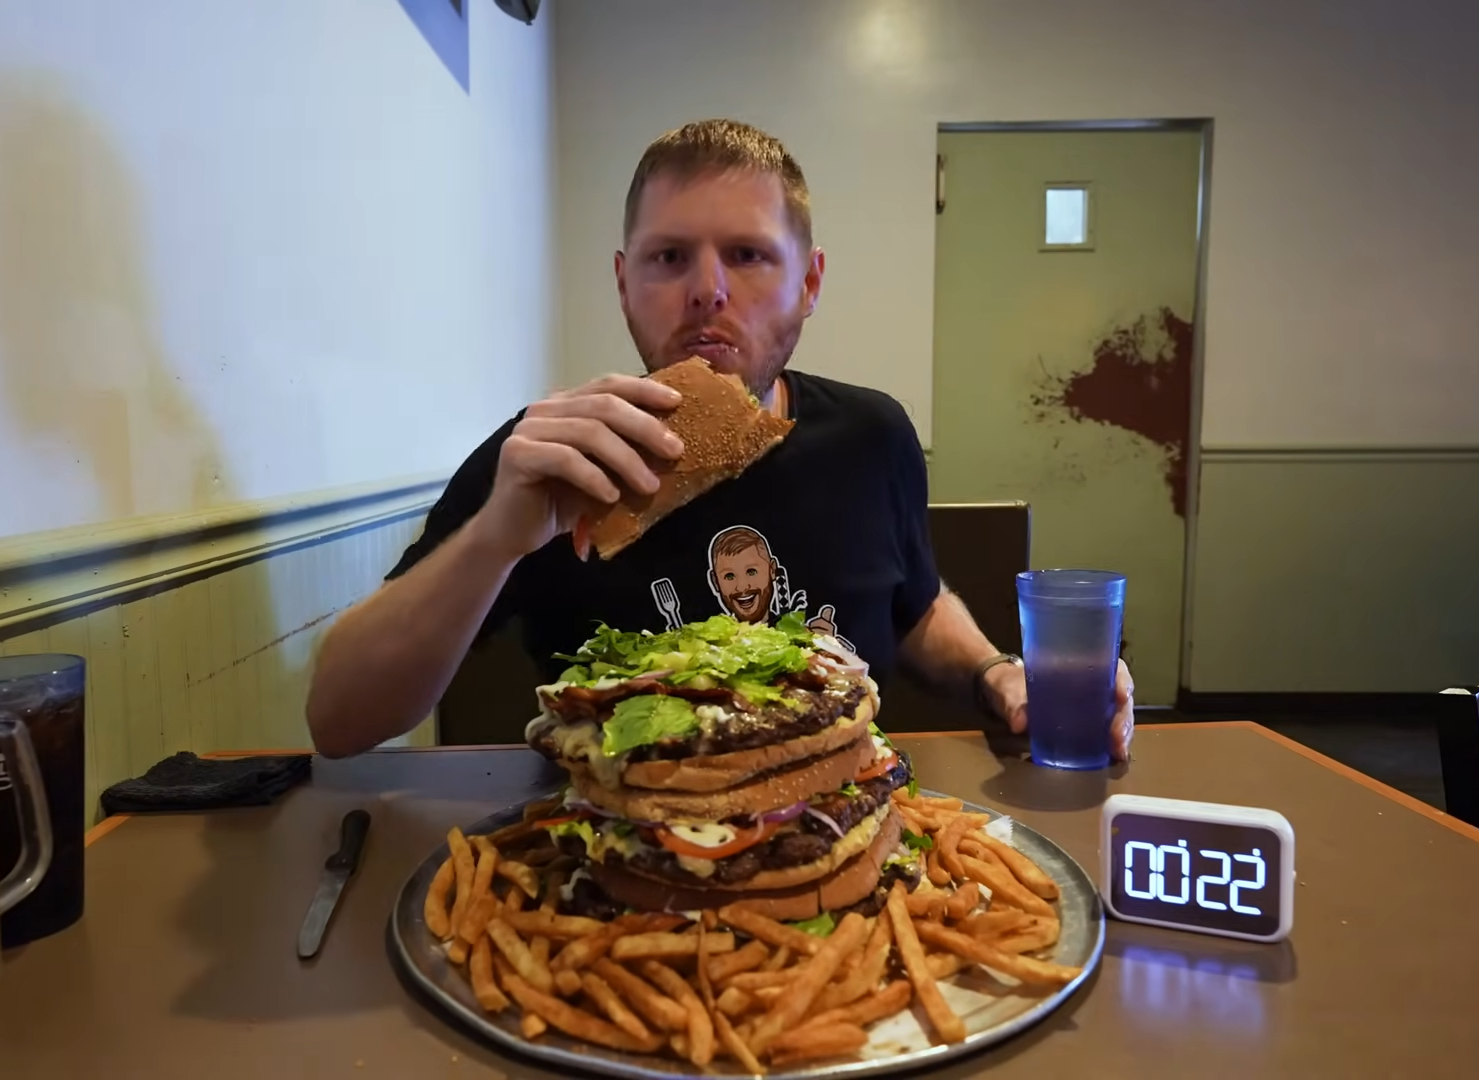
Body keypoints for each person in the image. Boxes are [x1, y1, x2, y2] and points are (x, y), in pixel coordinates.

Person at [306, 119, 1134, 760]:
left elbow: (913, 606)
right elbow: (339, 721)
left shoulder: (872, 435)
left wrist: (997, 670)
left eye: (747, 256)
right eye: (669, 257)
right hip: (618, 857)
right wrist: (496, 539)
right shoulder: (549, 460)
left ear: (808, 284)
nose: (707, 291)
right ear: (623, 283)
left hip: (837, 829)